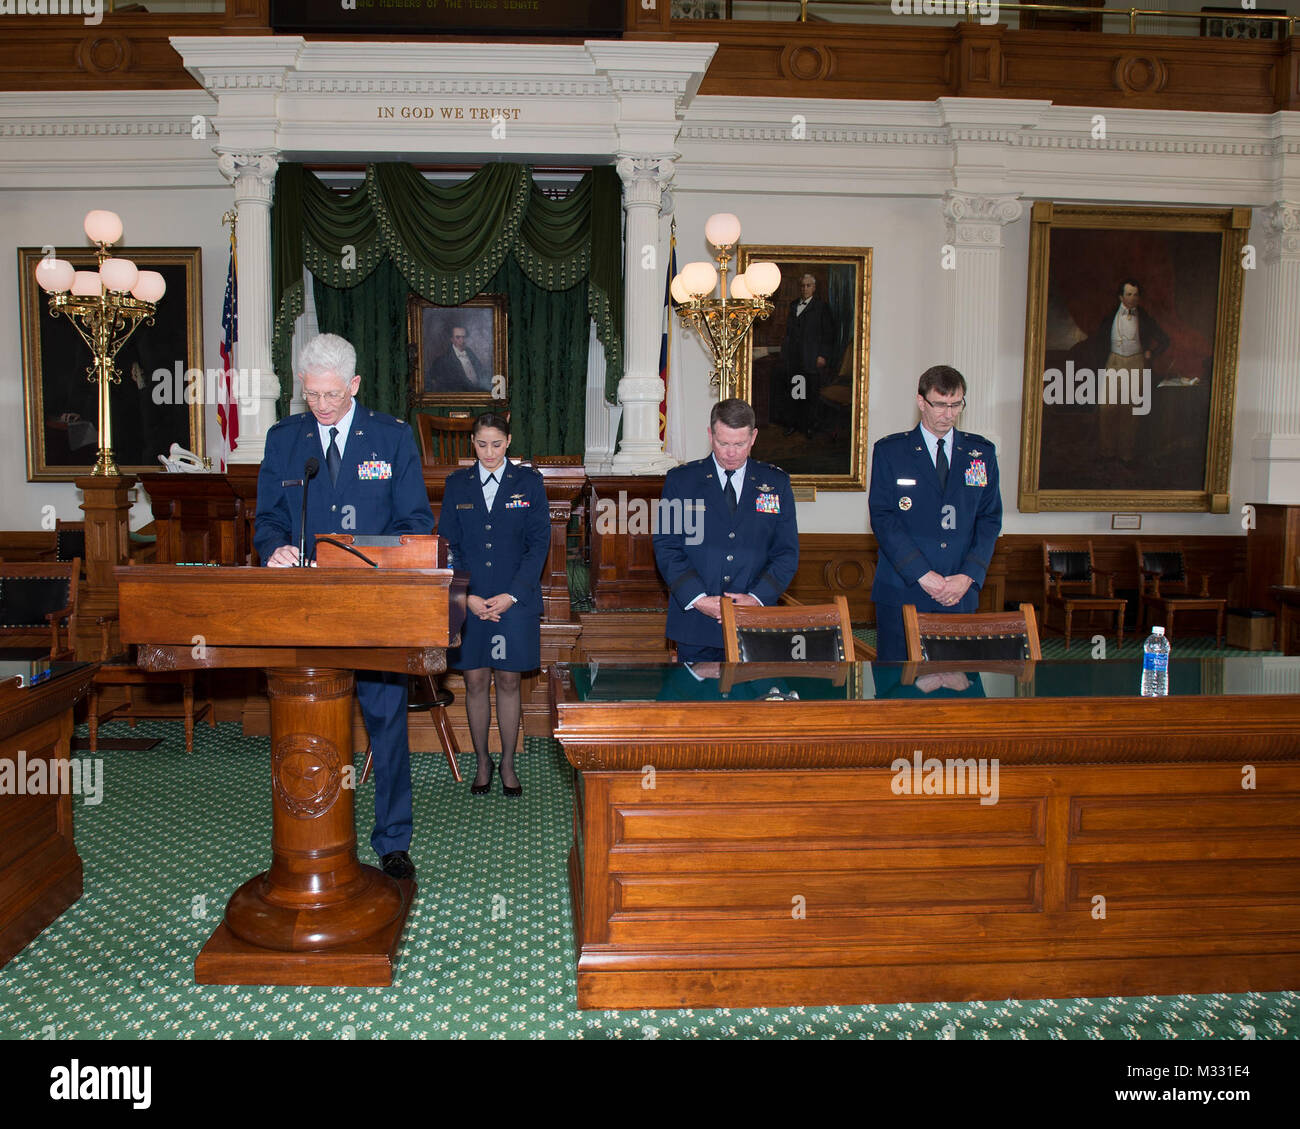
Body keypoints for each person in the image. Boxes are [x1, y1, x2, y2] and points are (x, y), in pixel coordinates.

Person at [254, 333, 434, 882]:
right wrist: (273, 549)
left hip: (373, 608)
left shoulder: (392, 437)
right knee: (308, 724)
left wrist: (372, 564)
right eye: (312, 395)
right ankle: (315, 832)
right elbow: (267, 518)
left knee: (386, 725)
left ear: (354, 385)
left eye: (332, 395)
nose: (322, 406)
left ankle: (393, 839)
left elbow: (415, 524)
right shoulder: (285, 439)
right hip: (305, 610)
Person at [436, 412, 548, 797]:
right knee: (475, 680)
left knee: (508, 680)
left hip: (514, 600)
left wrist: (512, 594)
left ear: (509, 440)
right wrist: (465, 595)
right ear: (473, 442)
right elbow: (447, 546)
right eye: (481, 444)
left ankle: (509, 763)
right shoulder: (457, 484)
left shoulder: (529, 483)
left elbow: (538, 546)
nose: (489, 452)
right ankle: (483, 761)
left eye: (496, 444)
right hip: (471, 599)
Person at [868, 365, 1002, 663]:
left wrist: (968, 576)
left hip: (959, 592)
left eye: (956, 404)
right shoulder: (892, 451)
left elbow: (989, 518)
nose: (949, 413)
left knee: (958, 690)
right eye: (940, 404)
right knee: (898, 689)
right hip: (903, 590)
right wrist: (923, 575)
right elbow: (883, 517)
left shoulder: (981, 453)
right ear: (921, 402)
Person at [653, 398, 799, 663]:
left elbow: (786, 553)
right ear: (710, 435)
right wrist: (698, 599)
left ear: (753, 437)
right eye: (723, 443)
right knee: (695, 703)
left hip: (754, 623)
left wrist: (756, 597)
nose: (731, 453)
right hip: (695, 624)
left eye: (739, 444)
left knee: (752, 703)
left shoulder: (775, 482)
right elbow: (667, 546)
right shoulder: (682, 481)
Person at [1082, 279, 1171, 465]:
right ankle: (1107, 451)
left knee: (1130, 410)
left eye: (1136, 294)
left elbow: (1165, 340)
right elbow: (1099, 342)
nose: (1132, 298)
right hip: (1113, 361)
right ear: (1121, 296)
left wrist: (1151, 353)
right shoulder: (1110, 317)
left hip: (1136, 362)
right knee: (1108, 407)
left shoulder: (1144, 318)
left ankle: (1126, 454)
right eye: (1129, 294)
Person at [780, 274, 836, 437]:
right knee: (795, 393)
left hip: (810, 358)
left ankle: (810, 426)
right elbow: (789, 332)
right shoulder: (793, 305)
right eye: (803, 286)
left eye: (808, 286)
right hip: (794, 358)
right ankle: (793, 424)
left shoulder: (821, 307)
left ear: (814, 288)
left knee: (810, 394)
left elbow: (828, 334)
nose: (805, 289)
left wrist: (822, 355)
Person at [427, 325, 491, 394]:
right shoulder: (443, 360)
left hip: (479, 390)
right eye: (458, 337)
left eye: (464, 337)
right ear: (451, 339)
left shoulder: (470, 352)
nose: (462, 340)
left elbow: (481, 371)